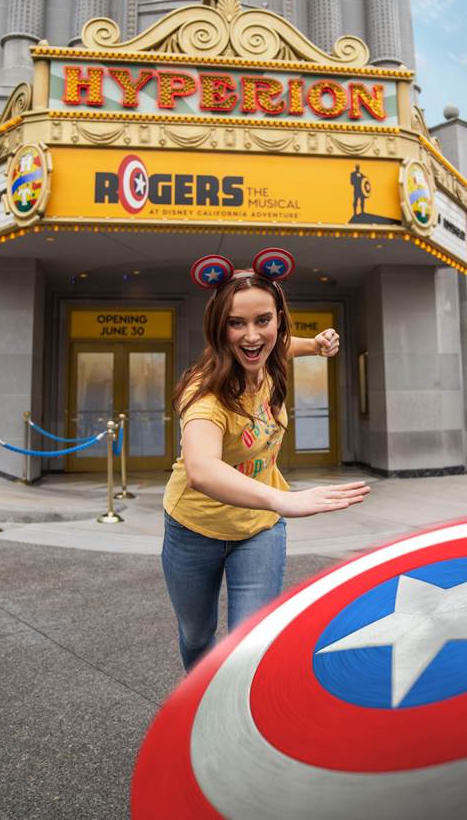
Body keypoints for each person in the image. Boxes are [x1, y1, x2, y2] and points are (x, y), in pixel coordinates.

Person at [162, 249, 370, 671]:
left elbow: (281, 347)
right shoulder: (204, 393)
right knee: (197, 635)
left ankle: (233, 719)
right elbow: (202, 469)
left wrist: (316, 344)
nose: (251, 336)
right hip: (193, 529)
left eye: (263, 320)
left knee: (250, 642)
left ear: (278, 319)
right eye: (235, 323)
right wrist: (283, 500)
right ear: (218, 328)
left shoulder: (270, 363)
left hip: (259, 530)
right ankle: (196, 701)